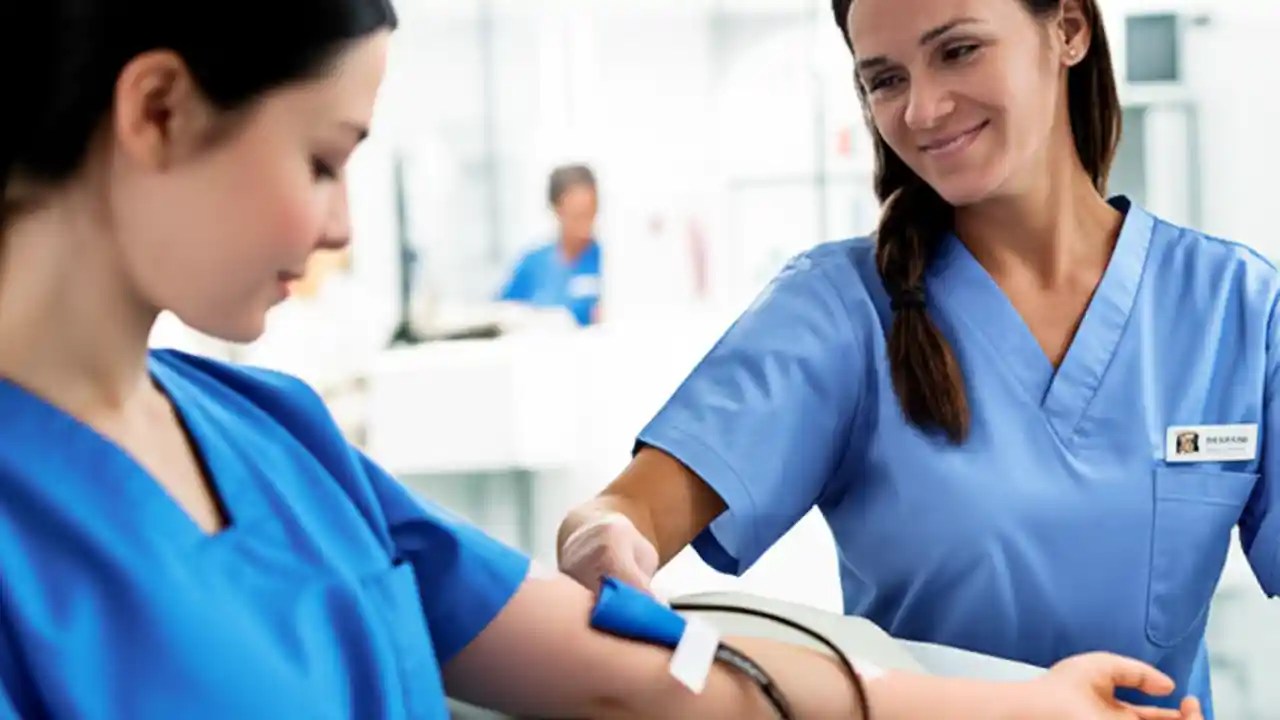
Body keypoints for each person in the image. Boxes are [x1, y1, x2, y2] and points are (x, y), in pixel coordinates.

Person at [0, 1, 1206, 719]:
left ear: (1068, 33)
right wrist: (610, 526)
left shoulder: (282, 442)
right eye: (323, 160)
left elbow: (659, 675)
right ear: (155, 111)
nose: (339, 229)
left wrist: (1010, 710)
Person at [557, 0, 1272, 717]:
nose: (923, 109)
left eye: (957, 51)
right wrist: (605, 538)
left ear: (1069, 29)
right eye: (885, 80)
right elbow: (622, 516)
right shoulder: (840, 312)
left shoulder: (1236, 307)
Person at [499, 163, 604, 326]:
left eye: (590, 213)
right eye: (576, 215)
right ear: (557, 209)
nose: (585, 224)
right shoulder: (532, 263)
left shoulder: (605, 262)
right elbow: (501, 315)